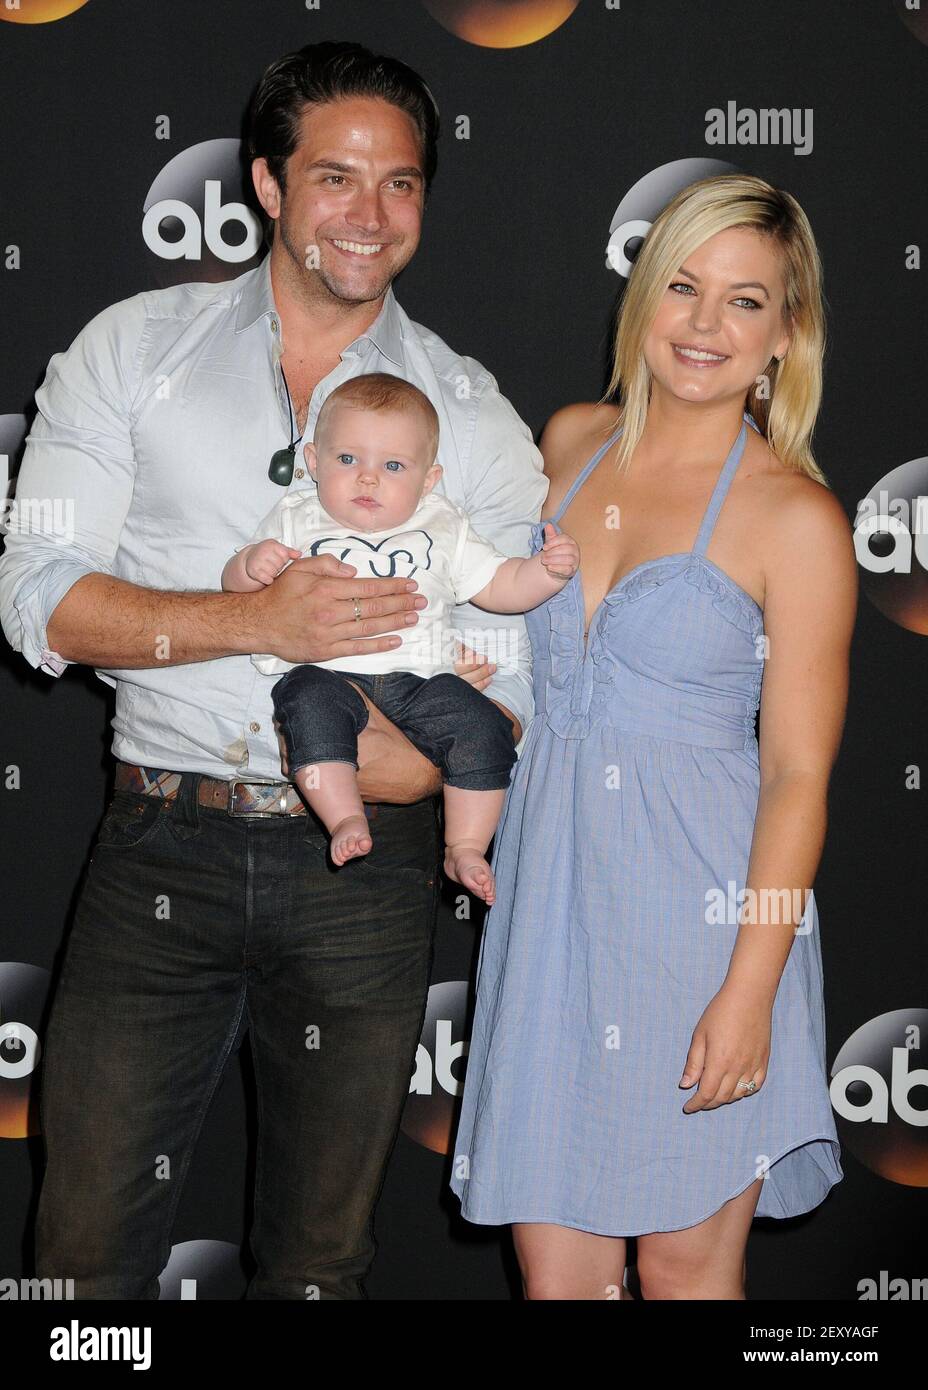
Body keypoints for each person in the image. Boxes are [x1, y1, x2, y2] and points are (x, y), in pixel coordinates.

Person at [0, 41, 547, 1299]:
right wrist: (260, 622)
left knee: (320, 1264)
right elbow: (40, 599)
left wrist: (402, 770)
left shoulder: (468, 411)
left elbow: (518, 664)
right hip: (161, 844)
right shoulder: (130, 351)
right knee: (81, 1265)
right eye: (336, 177)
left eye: (399, 184)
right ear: (266, 182)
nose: (368, 214)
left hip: (363, 881)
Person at [449, 173, 858, 1300]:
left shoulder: (797, 517)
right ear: (643, 297)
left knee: (684, 1271)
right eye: (682, 286)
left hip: (704, 926)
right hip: (556, 917)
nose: (703, 324)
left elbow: (797, 775)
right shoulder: (569, 442)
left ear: (785, 334)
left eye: (743, 301)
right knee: (557, 1279)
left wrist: (751, 988)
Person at [222, 371, 578, 895]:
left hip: (420, 678)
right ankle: (344, 817)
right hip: (326, 673)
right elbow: (234, 584)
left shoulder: (443, 524)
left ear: (428, 480)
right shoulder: (298, 515)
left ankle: (465, 846)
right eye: (348, 460)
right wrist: (253, 564)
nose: (368, 479)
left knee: (483, 728)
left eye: (393, 466)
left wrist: (544, 573)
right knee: (308, 710)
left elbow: (499, 585)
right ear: (315, 463)